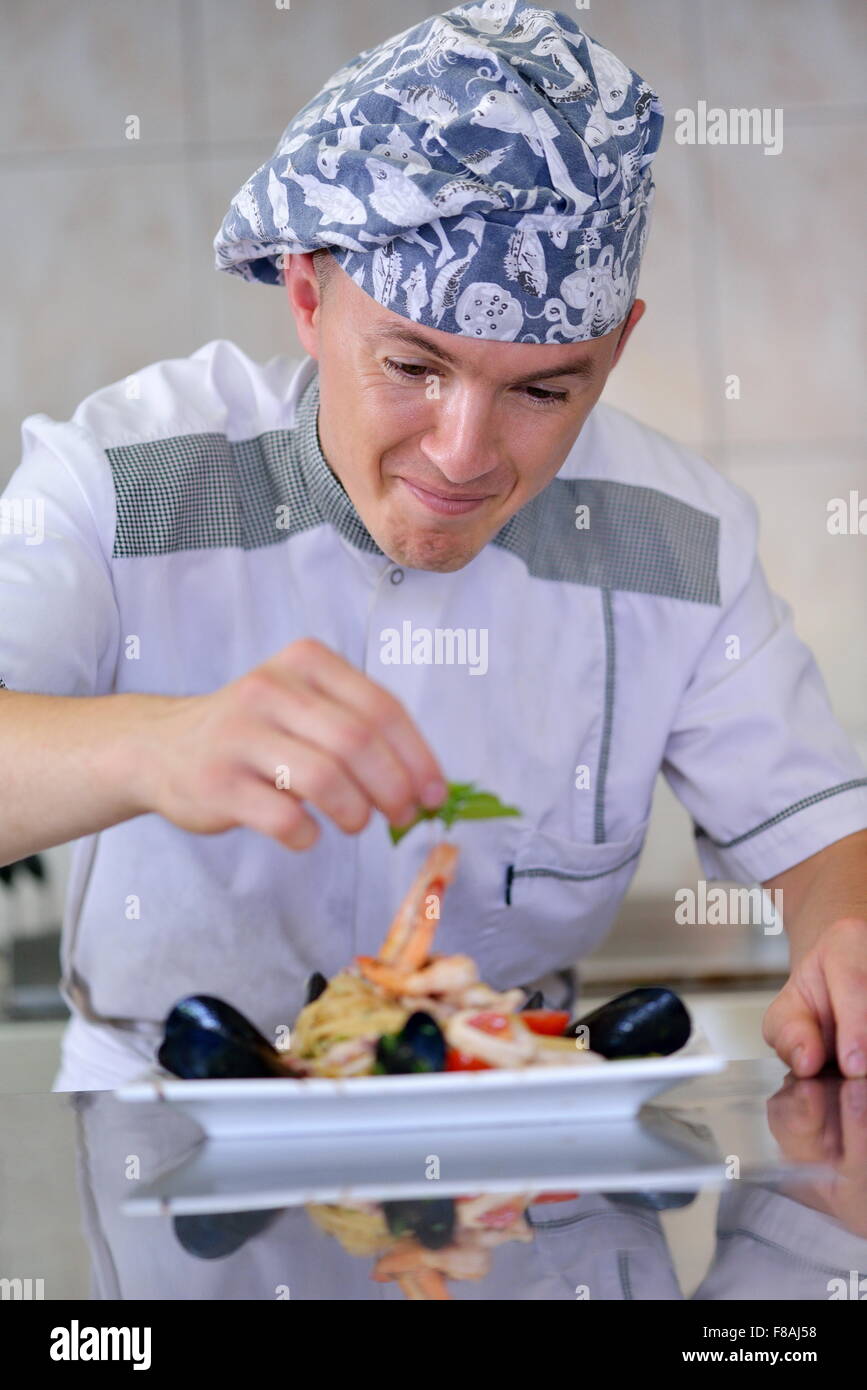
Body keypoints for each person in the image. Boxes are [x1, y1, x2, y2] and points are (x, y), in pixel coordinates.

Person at [1, 3, 865, 1092]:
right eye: (412, 368)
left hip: (523, 1154)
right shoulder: (122, 477)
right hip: (177, 1150)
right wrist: (146, 747)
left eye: (545, 390)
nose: (463, 456)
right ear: (309, 295)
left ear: (616, 349)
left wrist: (845, 940)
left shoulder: (677, 538)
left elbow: (823, 841)